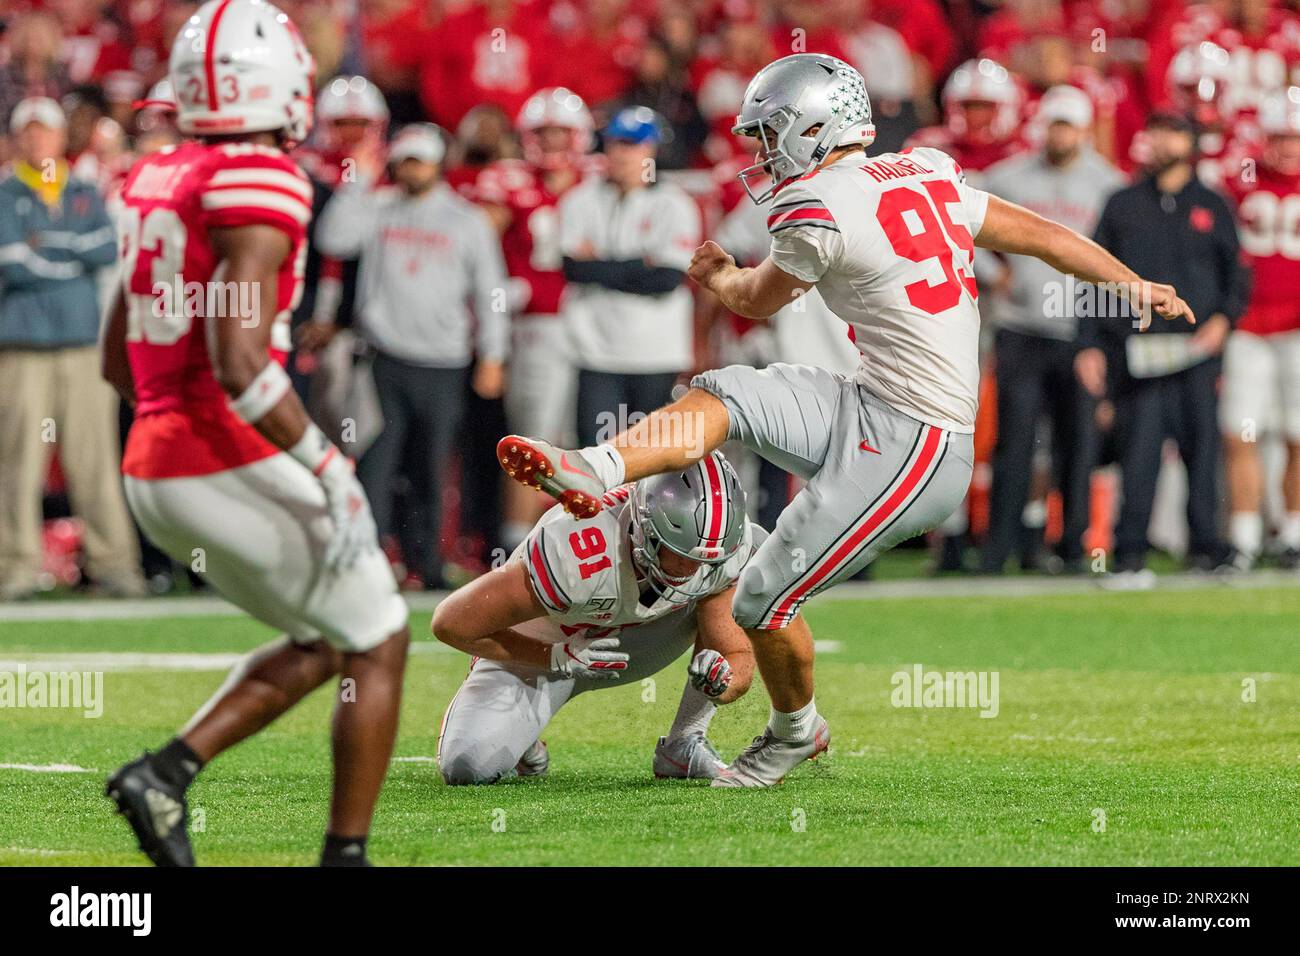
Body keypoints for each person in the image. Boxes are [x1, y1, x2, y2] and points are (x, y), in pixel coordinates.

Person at [497, 53, 1194, 788]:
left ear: (812, 127)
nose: (762, 154)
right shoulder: (921, 169)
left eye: (770, 136)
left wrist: (718, 276)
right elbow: (1039, 234)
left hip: (919, 446)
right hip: (868, 401)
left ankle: (796, 731)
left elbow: (757, 299)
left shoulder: (816, 207)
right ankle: (594, 467)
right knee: (727, 391)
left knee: (762, 597)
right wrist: (1131, 283)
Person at [101, 0, 410, 868]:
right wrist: (325, 465)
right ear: (275, 84)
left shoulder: (156, 176)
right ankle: (344, 857)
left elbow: (117, 361)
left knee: (332, 635)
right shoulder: (259, 178)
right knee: (381, 637)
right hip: (214, 449)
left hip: (153, 455)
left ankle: (163, 776)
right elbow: (239, 358)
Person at [433, 452, 759, 784]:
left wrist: (722, 682)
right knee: (467, 766)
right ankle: (521, 736)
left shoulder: (723, 550)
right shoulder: (578, 547)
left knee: (753, 570)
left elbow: (737, 655)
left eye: (703, 559)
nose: (690, 569)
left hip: (634, 640)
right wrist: (554, 657)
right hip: (546, 641)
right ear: (645, 525)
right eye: (677, 551)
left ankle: (686, 739)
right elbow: (451, 622)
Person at [315, 122, 509, 589]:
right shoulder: (379, 209)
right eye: (404, 160)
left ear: (437, 164)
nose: (411, 169)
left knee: (432, 464)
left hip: (443, 362)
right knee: (376, 463)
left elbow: (491, 291)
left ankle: (429, 563)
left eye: (419, 160)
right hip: (383, 358)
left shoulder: (466, 220)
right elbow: (333, 239)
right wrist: (359, 182)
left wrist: (493, 355)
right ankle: (371, 559)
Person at [1079, 111, 1243, 580]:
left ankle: (1206, 548)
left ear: (1190, 143)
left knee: (1203, 450)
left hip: (1197, 353)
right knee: (1139, 452)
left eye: (1170, 132)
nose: (1158, 141)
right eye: (1153, 132)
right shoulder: (1122, 204)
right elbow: (1091, 275)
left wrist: (1223, 321)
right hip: (1139, 354)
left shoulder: (1213, 205)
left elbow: (1237, 274)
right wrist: (1088, 343)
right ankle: (1129, 551)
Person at [978, 86, 1125, 575]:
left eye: (1069, 125)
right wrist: (990, 270)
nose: (1060, 134)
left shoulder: (1109, 185)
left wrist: (1104, 334)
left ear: (1084, 129)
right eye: (1054, 124)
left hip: (1079, 331)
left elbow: (1120, 255)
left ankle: (1073, 547)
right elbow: (954, 218)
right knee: (1014, 442)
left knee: (1077, 444)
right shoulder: (1008, 176)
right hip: (1021, 327)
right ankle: (999, 549)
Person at [0, 95, 143, 601]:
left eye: (46, 131)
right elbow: (13, 260)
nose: (38, 140)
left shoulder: (84, 190)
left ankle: (116, 568)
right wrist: (66, 255)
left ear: (61, 139)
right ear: (19, 139)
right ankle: (14, 570)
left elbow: (104, 250)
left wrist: (48, 250)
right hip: (22, 347)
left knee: (95, 459)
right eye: (29, 131)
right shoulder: (5, 192)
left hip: (83, 347)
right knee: (19, 463)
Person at [474, 87, 594, 554]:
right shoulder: (508, 181)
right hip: (539, 327)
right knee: (536, 440)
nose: (552, 143)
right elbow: (478, 251)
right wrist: (502, 299)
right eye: (543, 133)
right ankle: (515, 548)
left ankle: (581, 547)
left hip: (602, 325)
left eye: (561, 133)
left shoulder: (600, 178)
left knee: (591, 441)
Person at [558, 106, 701, 446]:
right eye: (616, 143)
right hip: (594, 350)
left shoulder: (675, 205)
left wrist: (602, 265)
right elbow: (574, 269)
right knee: (594, 461)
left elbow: (666, 280)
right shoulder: (580, 200)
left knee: (648, 466)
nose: (622, 153)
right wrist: (640, 263)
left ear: (654, 149)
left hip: (656, 353)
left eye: (633, 144)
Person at [1219, 88, 1300, 571]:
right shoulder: (1239, 178)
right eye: (1279, 137)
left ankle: (1292, 533)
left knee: (1297, 435)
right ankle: (1244, 537)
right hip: (1248, 328)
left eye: (1294, 137)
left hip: (1298, 328)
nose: (1287, 147)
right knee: (1239, 434)